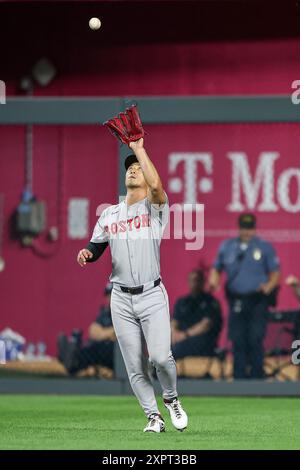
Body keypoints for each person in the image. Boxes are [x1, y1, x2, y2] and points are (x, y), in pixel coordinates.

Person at [77, 137, 188, 433]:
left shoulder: (154, 210)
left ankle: (172, 398)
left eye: (138, 168)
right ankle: (153, 417)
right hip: (121, 298)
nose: (133, 170)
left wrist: (139, 148)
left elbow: (157, 189)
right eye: (130, 168)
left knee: (161, 358)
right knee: (134, 367)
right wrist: (87, 253)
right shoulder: (109, 213)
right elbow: (96, 246)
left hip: (152, 294)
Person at [209, 213, 280, 379]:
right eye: (244, 228)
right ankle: (239, 377)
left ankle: (257, 377)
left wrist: (269, 286)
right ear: (239, 228)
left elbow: (275, 272)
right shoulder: (227, 246)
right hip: (237, 299)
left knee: (255, 338)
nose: (247, 232)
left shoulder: (264, 247)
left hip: (257, 300)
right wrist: (214, 280)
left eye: (250, 228)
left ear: (254, 228)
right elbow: (216, 267)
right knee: (238, 338)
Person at [58, 283, 116, 374]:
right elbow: (92, 331)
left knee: (95, 348)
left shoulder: (123, 312)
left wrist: (101, 333)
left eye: (112, 295)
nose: (109, 299)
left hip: (114, 353)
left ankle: (68, 358)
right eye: (108, 295)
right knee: (89, 346)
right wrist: (107, 334)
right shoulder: (105, 312)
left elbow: (117, 333)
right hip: (100, 347)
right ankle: (70, 357)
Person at [171, 269, 222, 360]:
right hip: (181, 339)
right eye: (191, 280)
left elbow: (206, 325)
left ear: (203, 282)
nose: (194, 283)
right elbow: (174, 321)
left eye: (197, 280)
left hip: (201, 340)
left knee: (174, 349)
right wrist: (174, 333)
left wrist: (185, 335)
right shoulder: (182, 302)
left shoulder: (210, 302)